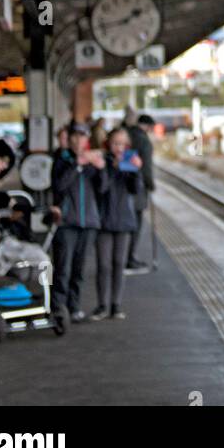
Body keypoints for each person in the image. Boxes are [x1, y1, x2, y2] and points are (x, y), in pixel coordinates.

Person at [51, 123, 106, 326]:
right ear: (69, 139)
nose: (79, 141)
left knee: (79, 269)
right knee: (62, 268)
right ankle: (58, 307)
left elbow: (103, 189)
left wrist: (101, 170)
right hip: (67, 222)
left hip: (89, 222)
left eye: (83, 137)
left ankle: (74, 307)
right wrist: (77, 164)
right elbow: (59, 186)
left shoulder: (92, 161)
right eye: (75, 137)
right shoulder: (61, 159)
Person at [93, 127, 141, 319]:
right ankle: (101, 304)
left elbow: (136, 190)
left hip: (124, 219)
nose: (119, 148)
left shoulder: (130, 162)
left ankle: (116, 305)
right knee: (103, 264)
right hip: (103, 219)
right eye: (115, 143)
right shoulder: (102, 161)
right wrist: (112, 167)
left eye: (122, 144)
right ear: (108, 144)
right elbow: (101, 188)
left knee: (119, 263)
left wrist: (136, 171)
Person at [124, 112, 155, 273]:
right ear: (148, 126)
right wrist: (150, 184)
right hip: (138, 187)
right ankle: (130, 258)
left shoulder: (126, 135)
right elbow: (146, 167)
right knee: (135, 224)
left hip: (122, 186)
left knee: (123, 224)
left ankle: (123, 257)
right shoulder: (144, 141)